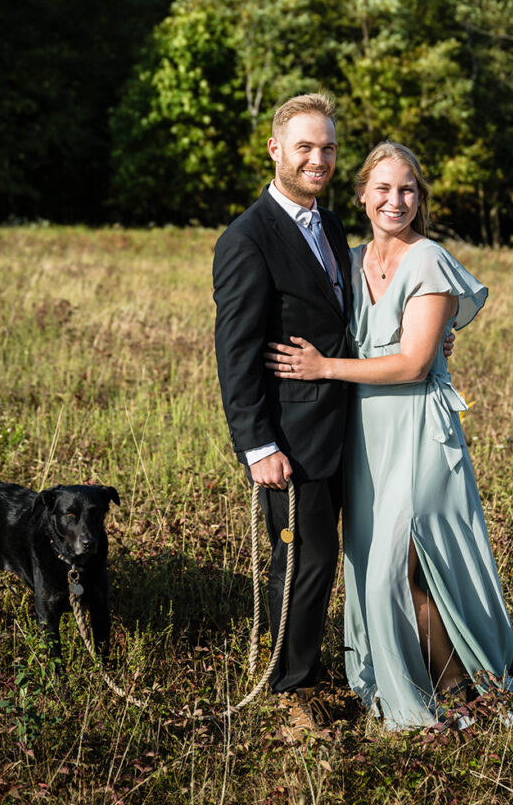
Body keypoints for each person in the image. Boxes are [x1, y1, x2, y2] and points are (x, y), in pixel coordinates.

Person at [265, 141, 513, 730]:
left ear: (419, 198)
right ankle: (454, 692)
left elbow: (413, 364)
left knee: (398, 571)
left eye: (407, 190)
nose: (394, 201)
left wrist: (324, 368)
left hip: (418, 435)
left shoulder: (428, 260)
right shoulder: (348, 263)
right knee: (387, 574)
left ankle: (468, 700)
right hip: (365, 440)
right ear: (360, 195)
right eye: (382, 189)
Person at [212, 93, 351, 734]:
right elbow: (235, 352)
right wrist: (257, 444)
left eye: (326, 147)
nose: (317, 158)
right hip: (290, 440)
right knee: (306, 560)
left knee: (340, 558)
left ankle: (342, 667)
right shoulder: (247, 238)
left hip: (349, 427)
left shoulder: (332, 225)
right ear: (275, 150)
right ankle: (289, 689)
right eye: (304, 147)